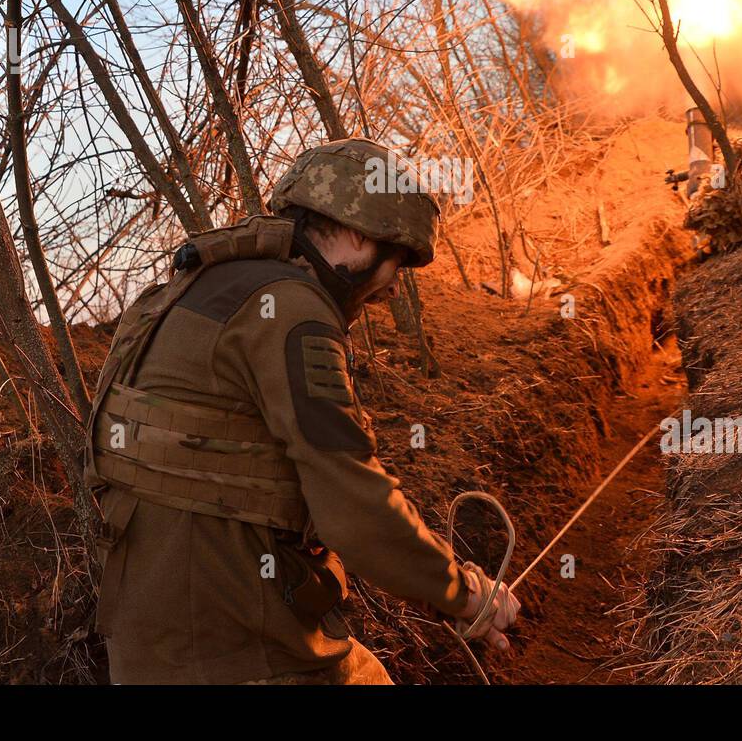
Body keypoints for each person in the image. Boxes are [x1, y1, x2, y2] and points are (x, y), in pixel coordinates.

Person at [85, 138, 520, 683]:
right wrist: (467, 596)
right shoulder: (293, 311)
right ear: (361, 236)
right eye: (398, 262)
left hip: (149, 647)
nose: (390, 288)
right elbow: (352, 502)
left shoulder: (202, 284)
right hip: (237, 648)